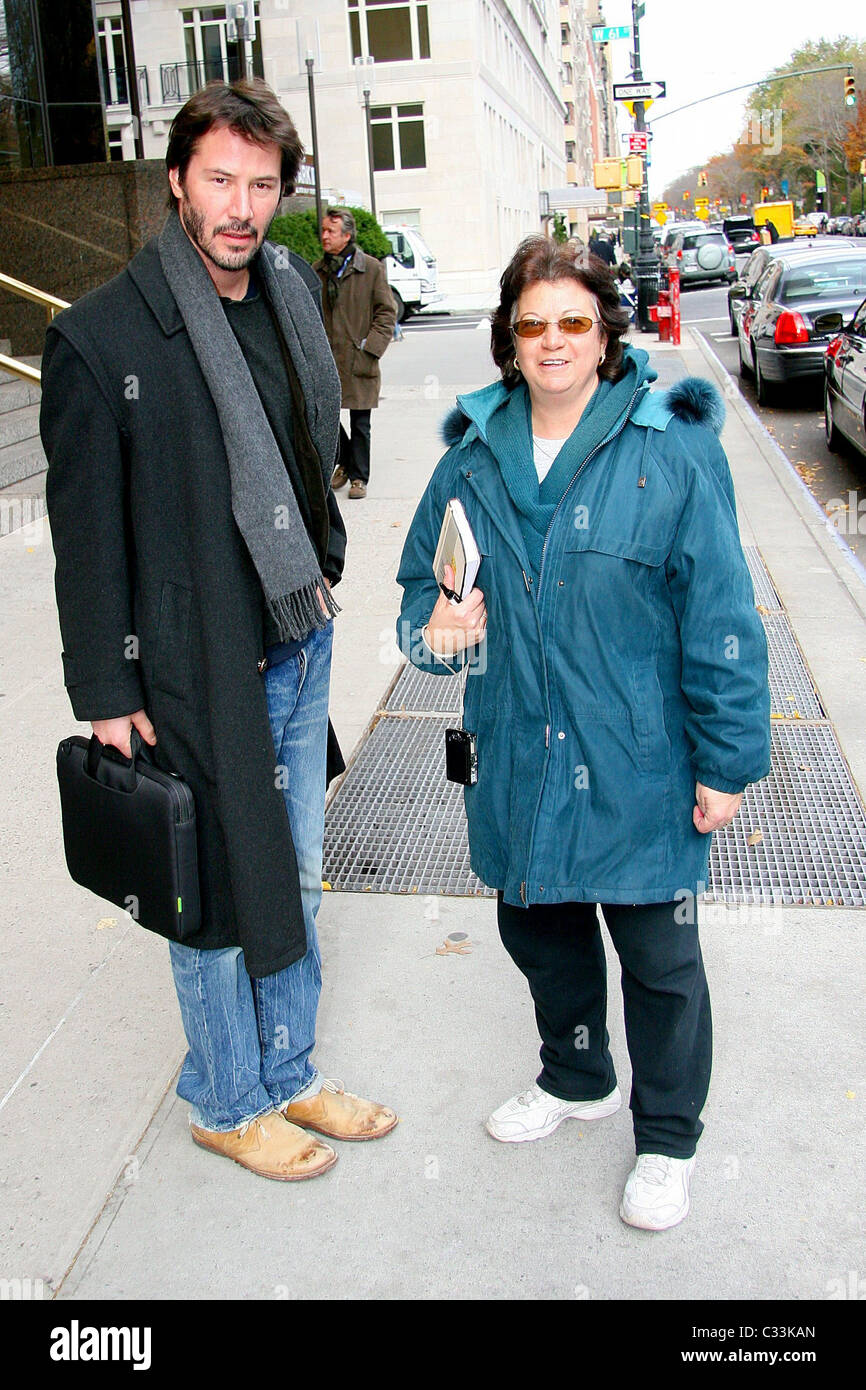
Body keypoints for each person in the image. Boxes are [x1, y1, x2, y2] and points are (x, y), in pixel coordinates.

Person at [41, 79, 397, 1184]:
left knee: (292, 871)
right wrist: (105, 690)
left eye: (261, 184)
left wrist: (318, 572)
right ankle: (224, 1096)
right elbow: (86, 539)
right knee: (210, 888)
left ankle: (287, 1072)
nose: (240, 206)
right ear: (177, 184)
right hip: (190, 667)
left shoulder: (288, 292)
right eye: (219, 181)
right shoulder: (100, 338)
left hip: (295, 640)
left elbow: (303, 454)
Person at [396, 236, 769, 1230]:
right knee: (540, 931)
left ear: (605, 331)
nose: (551, 340)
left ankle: (666, 1138)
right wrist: (434, 637)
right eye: (531, 324)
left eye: (572, 320)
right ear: (505, 343)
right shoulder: (469, 461)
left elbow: (722, 619)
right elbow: (416, 597)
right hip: (517, 750)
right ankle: (573, 1076)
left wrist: (725, 763)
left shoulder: (669, 451)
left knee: (658, 958)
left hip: (639, 761)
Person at [315, 207, 397, 500]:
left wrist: (371, 347)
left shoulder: (371, 268)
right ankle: (347, 462)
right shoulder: (318, 271)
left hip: (358, 357)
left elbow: (387, 312)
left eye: (330, 231)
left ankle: (358, 477)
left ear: (347, 235)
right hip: (327, 360)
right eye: (322, 230)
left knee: (360, 422)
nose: (324, 236)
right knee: (323, 415)